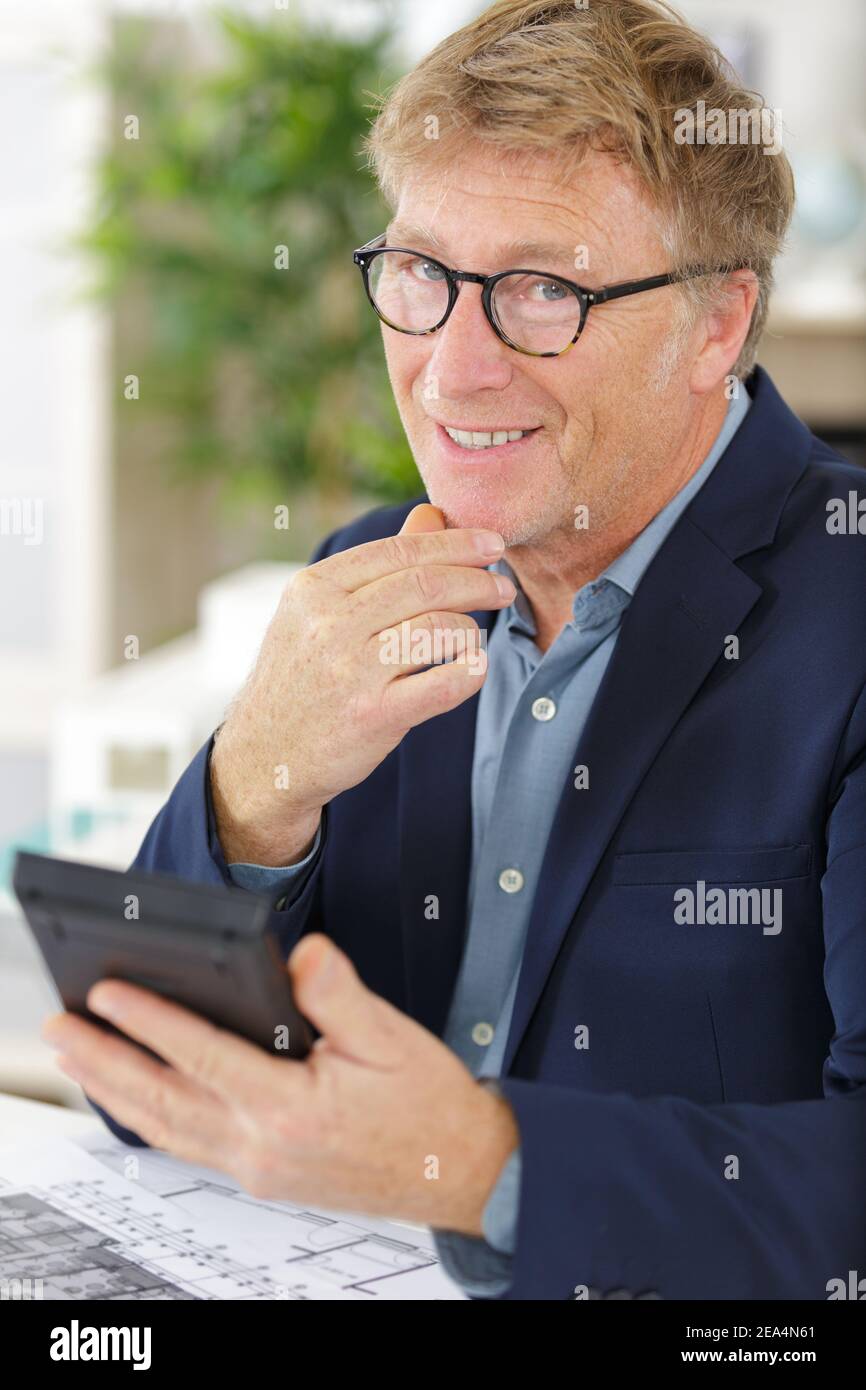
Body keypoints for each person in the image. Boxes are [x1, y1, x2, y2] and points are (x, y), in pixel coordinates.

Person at [43, 0, 866, 1300]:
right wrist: (251, 785)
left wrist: (479, 1164)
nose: (447, 369)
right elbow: (149, 1091)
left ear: (715, 324)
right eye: (420, 275)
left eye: (542, 290)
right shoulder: (364, 576)